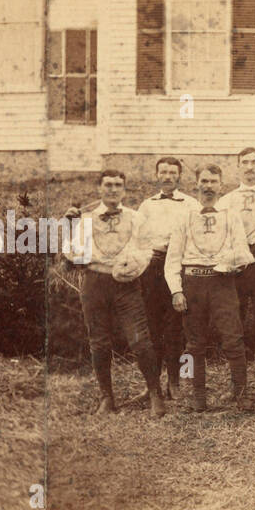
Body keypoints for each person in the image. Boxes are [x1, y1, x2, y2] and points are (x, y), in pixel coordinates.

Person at [63, 170, 165, 417]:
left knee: (140, 340)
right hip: (94, 282)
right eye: (107, 185)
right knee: (98, 342)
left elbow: (146, 248)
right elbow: (70, 250)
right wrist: (73, 233)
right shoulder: (84, 219)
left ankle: (155, 394)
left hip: (127, 285)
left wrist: (133, 266)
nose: (112, 189)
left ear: (124, 190)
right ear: (99, 188)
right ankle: (107, 398)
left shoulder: (136, 218)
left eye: (118, 185)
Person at [166, 164, 255, 413]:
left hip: (222, 283)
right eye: (204, 181)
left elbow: (244, 252)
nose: (208, 186)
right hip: (192, 283)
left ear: (221, 185)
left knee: (233, 339)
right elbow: (172, 258)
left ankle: (240, 394)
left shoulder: (231, 215)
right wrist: (176, 290)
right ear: (196, 184)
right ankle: (196, 396)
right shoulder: (184, 216)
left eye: (213, 182)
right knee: (193, 344)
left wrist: (228, 262)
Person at [135, 156, 200, 400]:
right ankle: (153, 384)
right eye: (163, 172)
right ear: (157, 175)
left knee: (177, 327)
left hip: (179, 268)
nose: (168, 177)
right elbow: (137, 238)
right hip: (151, 269)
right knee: (152, 327)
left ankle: (176, 381)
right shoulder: (147, 206)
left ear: (179, 176)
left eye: (173, 172)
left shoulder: (190, 204)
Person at [217, 147, 255, 405]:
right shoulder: (227, 200)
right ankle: (237, 383)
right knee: (234, 324)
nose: (250, 167)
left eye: (254, 162)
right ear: (238, 167)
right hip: (236, 267)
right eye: (245, 163)